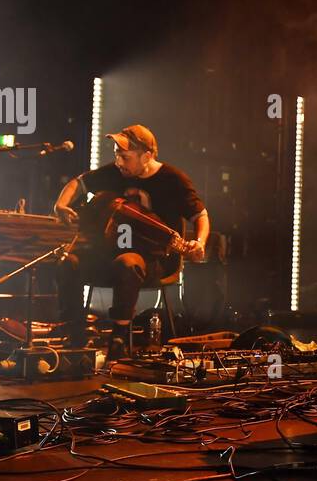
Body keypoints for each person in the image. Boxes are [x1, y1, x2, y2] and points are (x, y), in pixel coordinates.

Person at [54, 124, 209, 357]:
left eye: (125, 156)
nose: (118, 161)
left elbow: (201, 215)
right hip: (109, 255)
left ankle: (119, 337)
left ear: (146, 156)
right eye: (116, 154)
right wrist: (61, 204)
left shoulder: (173, 179)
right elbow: (79, 183)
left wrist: (199, 242)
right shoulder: (116, 172)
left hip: (154, 261)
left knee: (127, 262)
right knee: (68, 261)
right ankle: (74, 332)